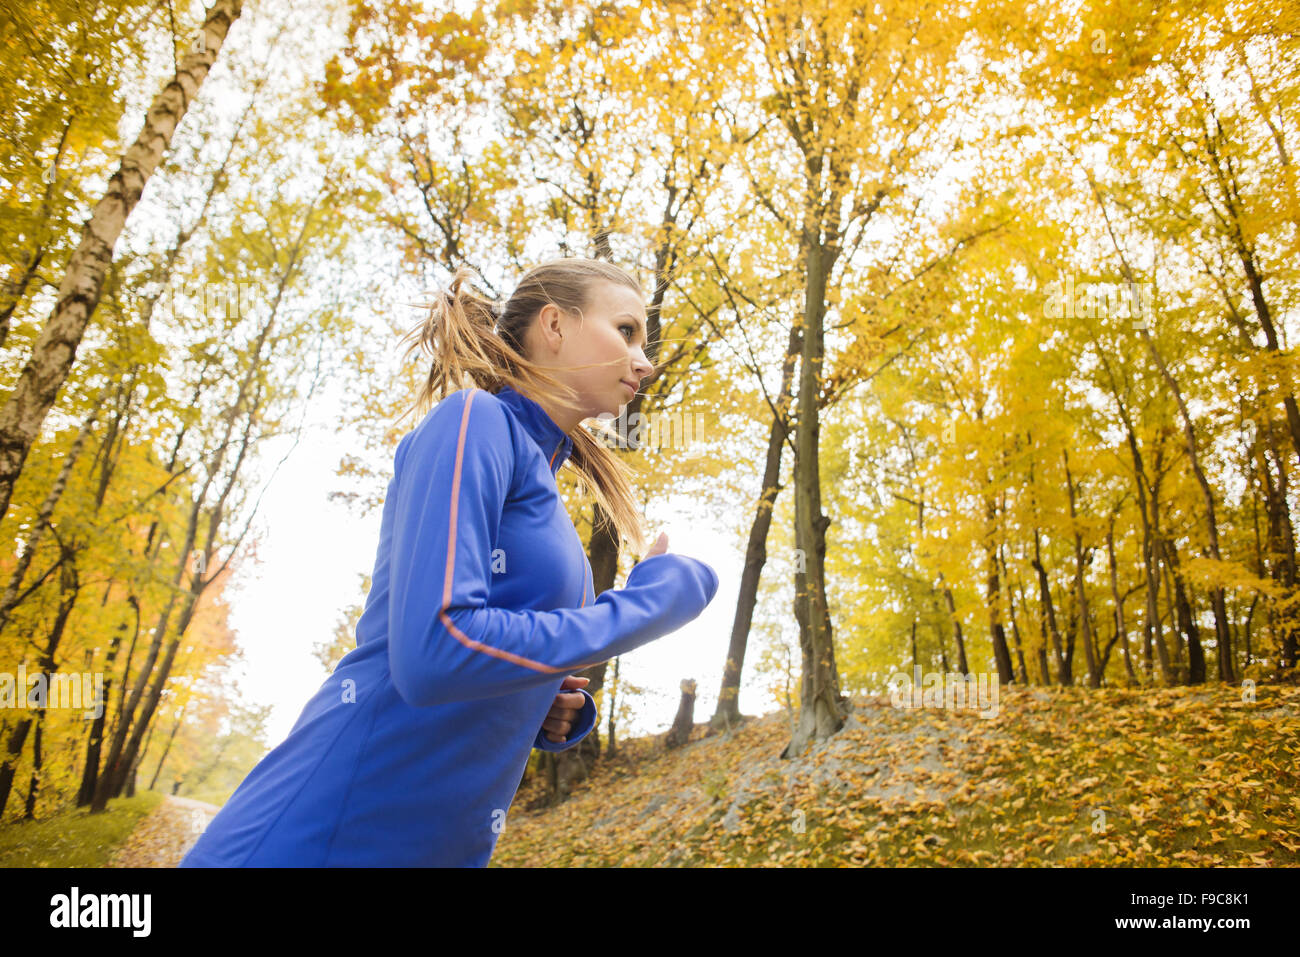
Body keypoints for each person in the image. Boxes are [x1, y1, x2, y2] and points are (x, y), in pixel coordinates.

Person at [179, 257, 720, 867]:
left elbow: (482, 655)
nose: (644, 361)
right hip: (320, 835)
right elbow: (437, 651)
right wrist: (648, 605)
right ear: (554, 325)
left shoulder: (545, 493)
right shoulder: (474, 420)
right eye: (626, 331)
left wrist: (537, 702)